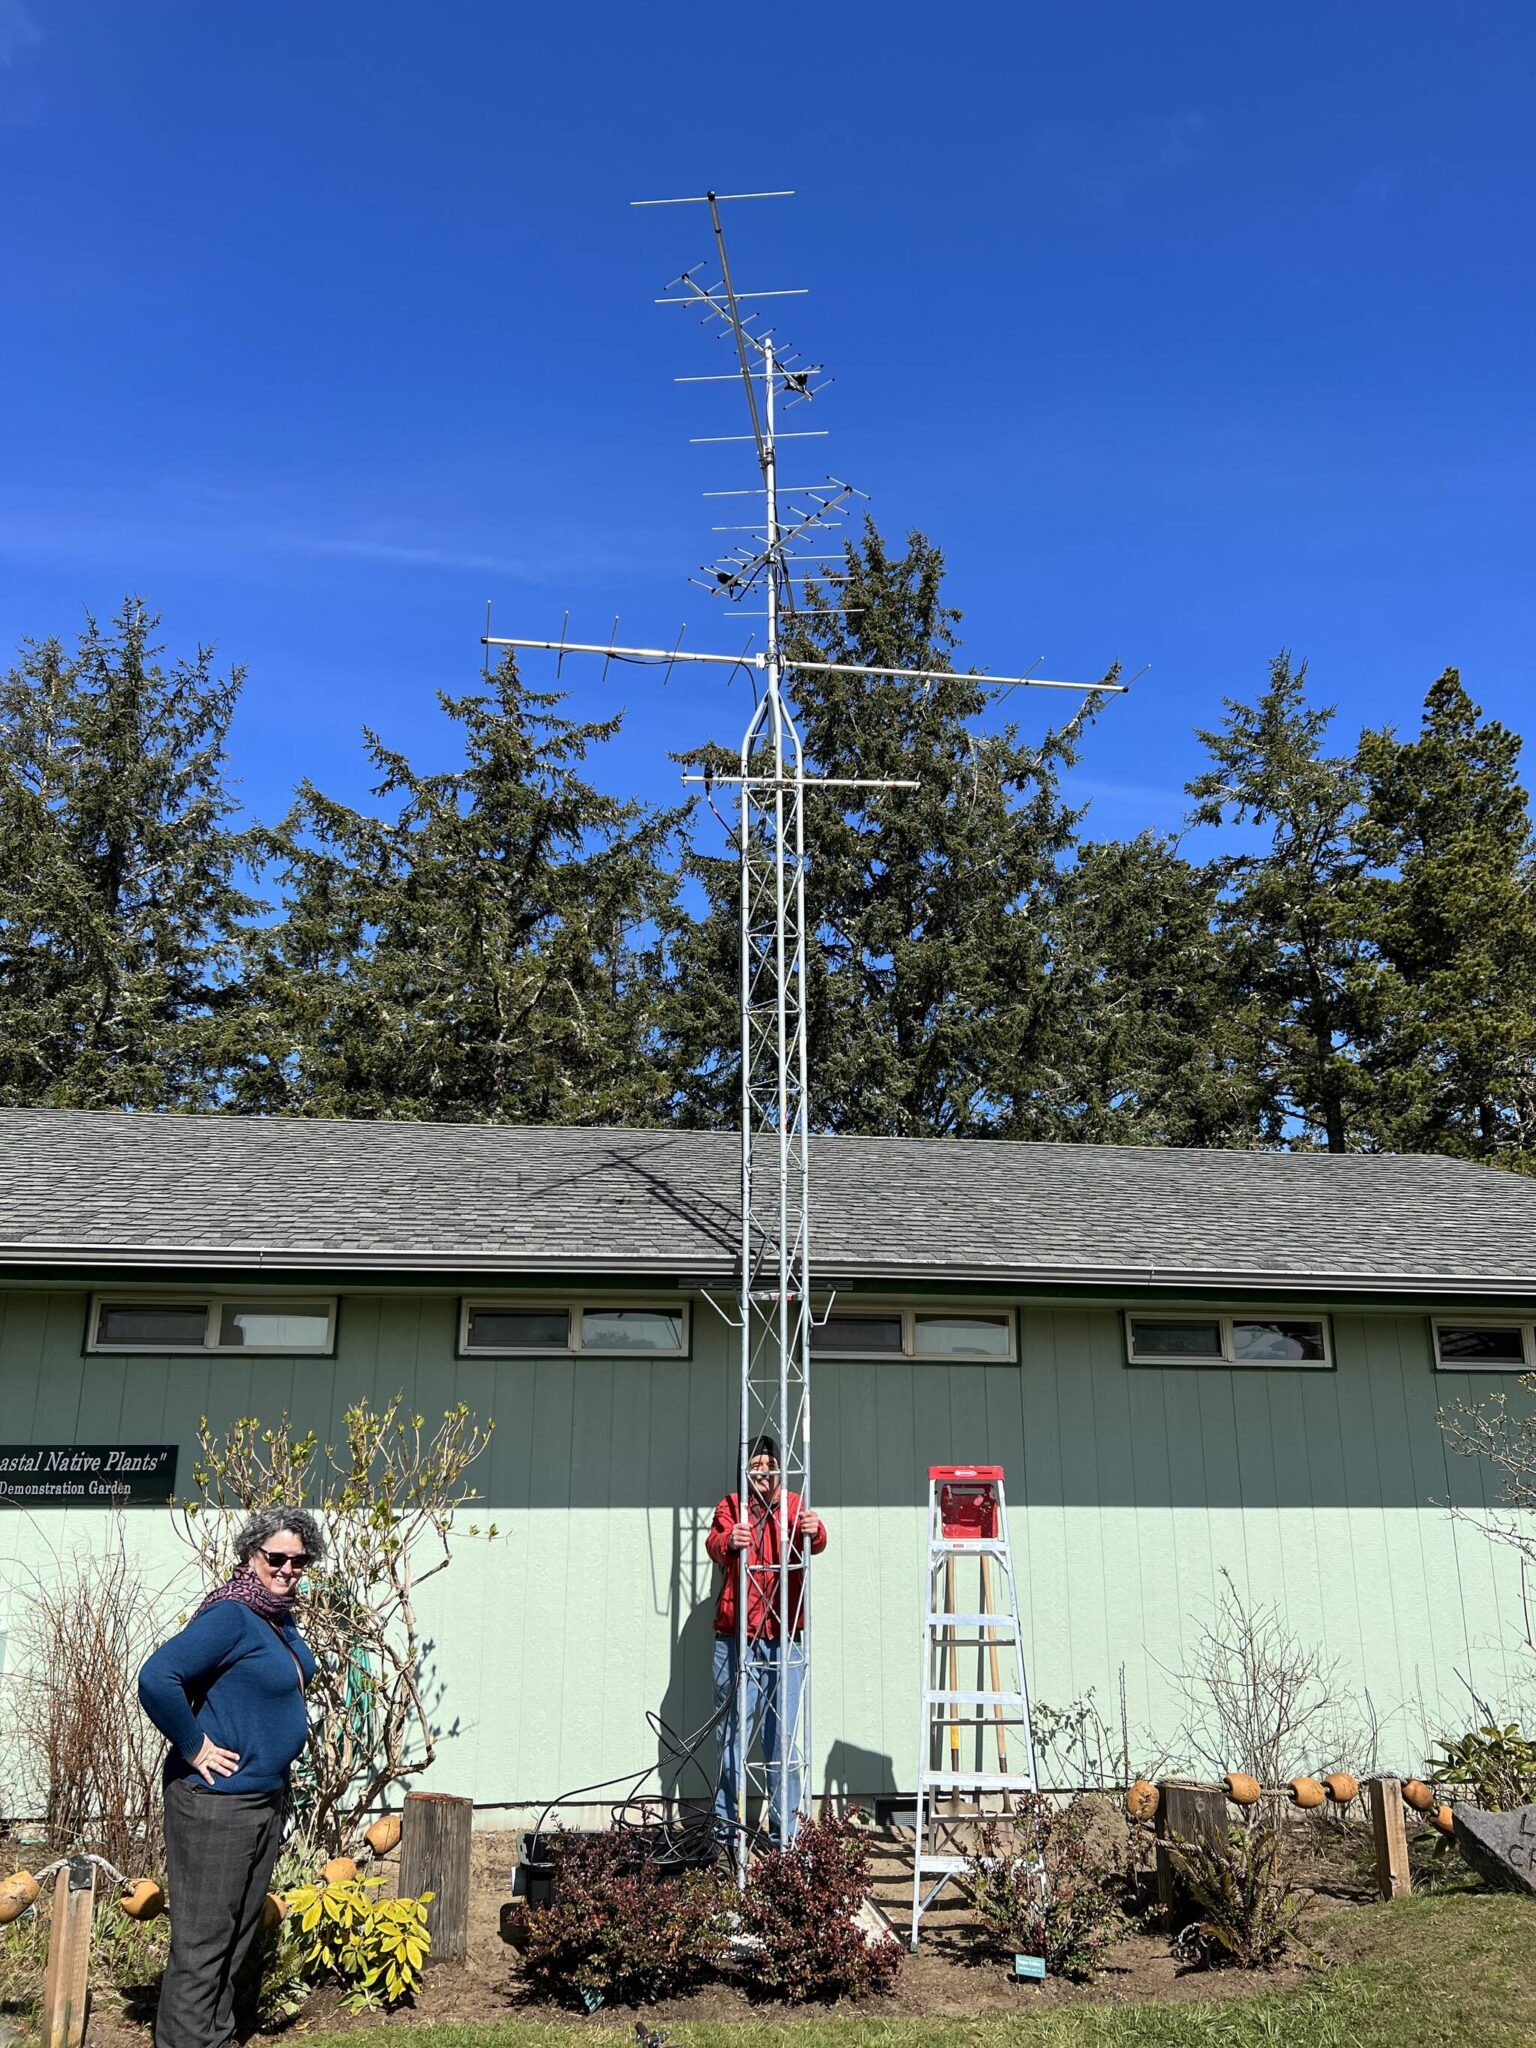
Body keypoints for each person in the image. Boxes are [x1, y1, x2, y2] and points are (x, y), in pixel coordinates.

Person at [138, 1507, 324, 2048]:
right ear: (251, 1554)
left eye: (299, 1560)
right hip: (216, 1803)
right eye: (277, 1558)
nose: (288, 1569)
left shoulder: (276, 1618)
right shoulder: (233, 1615)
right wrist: (194, 1746)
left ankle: (212, 2038)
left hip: (262, 1798)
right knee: (203, 1943)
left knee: (237, 1935)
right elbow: (157, 1677)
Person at [706, 1434, 827, 1844]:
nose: (761, 1473)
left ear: (779, 1468)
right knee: (731, 1741)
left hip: (783, 1637)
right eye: (754, 1467)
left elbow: (816, 1540)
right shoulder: (732, 1507)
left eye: (767, 1466)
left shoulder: (793, 1506)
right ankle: (729, 1837)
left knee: (781, 1744)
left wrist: (818, 1530)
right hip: (735, 1638)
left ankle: (784, 1838)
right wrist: (728, 1541)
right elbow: (715, 1543)